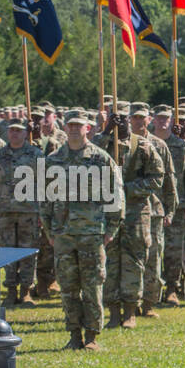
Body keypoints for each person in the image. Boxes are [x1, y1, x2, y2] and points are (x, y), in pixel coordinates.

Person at [42, 111, 124, 350]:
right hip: (63, 234)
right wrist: (49, 231)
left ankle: (91, 336)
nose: (74, 129)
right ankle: (74, 334)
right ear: (65, 128)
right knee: (68, 288)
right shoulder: (54, 160)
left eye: (79, 125)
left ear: (88, 128)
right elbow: (45, 199)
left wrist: (111, 229)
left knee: (92, 286)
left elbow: (115, 194)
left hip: (92, 233)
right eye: (70, 125)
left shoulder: (100, 158)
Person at [97, 101, 165, 329]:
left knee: (134, 260)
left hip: (136, 212)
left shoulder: (142, 146)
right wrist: (106, 133)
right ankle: (113, 310)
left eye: (124, 119)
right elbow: (87, 162)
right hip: (108, 212)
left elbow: (157, 177)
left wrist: (128, 189)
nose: (121, 123)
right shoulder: (102, 145)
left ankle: (130, 310)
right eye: (116, 119)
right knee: (109, 260)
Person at [0, 120, 46, 306]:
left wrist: (43, 212)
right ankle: (10, 291)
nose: (15, 134)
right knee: (7, 253)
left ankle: (26, 291)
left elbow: (45, 184)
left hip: (30, 212)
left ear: (26, 133)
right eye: (12, 130)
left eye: (19, 131)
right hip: (5, 212)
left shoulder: (36, 155)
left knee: (28, 253)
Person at [129, 103, 176, 317]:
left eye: (142, 118)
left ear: (149, 119)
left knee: (153, 258)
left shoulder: (158, 145)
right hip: (128, 210)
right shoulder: (122, 144)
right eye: (135, 117)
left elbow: (169, 180)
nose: (139, 121)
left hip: (154, 210)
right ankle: (130, 301)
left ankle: (148, 302)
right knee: (130, 259)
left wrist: (170, 209)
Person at [152, 104, 185, 305]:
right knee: (152, 250)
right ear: (153, 120)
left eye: (166, 118)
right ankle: (151, 290)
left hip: (178, 205)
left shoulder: (182, 147)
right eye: (159, 118)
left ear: (172, 120)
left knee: (174, 250)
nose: (163, 122)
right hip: (152, 204)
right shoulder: (147, 143)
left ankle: (171, 288)